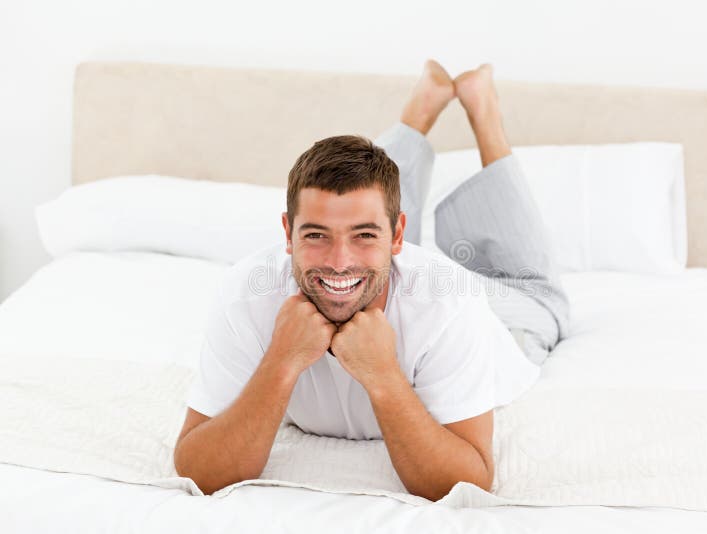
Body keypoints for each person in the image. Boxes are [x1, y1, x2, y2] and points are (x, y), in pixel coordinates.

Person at [173, 60, 570, 501]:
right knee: (365, 244)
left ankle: (485, 116)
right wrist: (281, 361)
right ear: (287, 234)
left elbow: (468, 481)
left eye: (365, 236)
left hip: (503, 320)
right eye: (316, 235)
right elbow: (198, 470)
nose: (339, 261)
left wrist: (383, 375)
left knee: (538, 294)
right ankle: (416, 119)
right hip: (402, 276)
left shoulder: (454, 302)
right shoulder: (245, 294)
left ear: (399, 235)